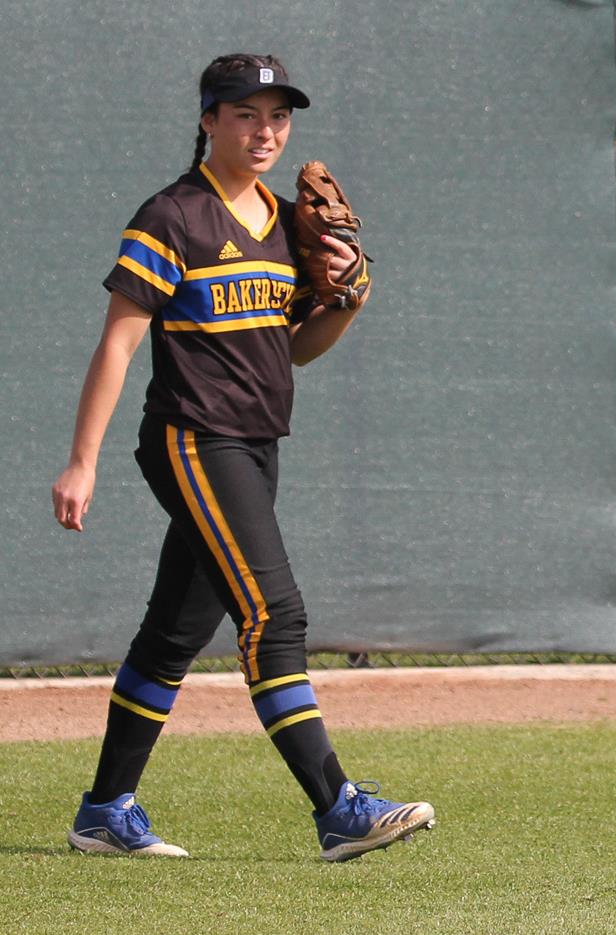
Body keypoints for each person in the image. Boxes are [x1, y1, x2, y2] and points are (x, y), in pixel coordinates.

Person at [49, 53, 434, 862]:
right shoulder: (173, 217)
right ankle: (339, 806)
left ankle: (104, 809)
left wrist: (350, 299)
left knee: (175, 632)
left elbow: (295, 349)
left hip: (257, 444)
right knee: (273, 612)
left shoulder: (289, 222)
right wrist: (82, 461)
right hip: (192, 437)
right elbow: (117, 346)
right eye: (245, 114)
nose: (265, 132)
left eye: (278, 117)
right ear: (207, 120)